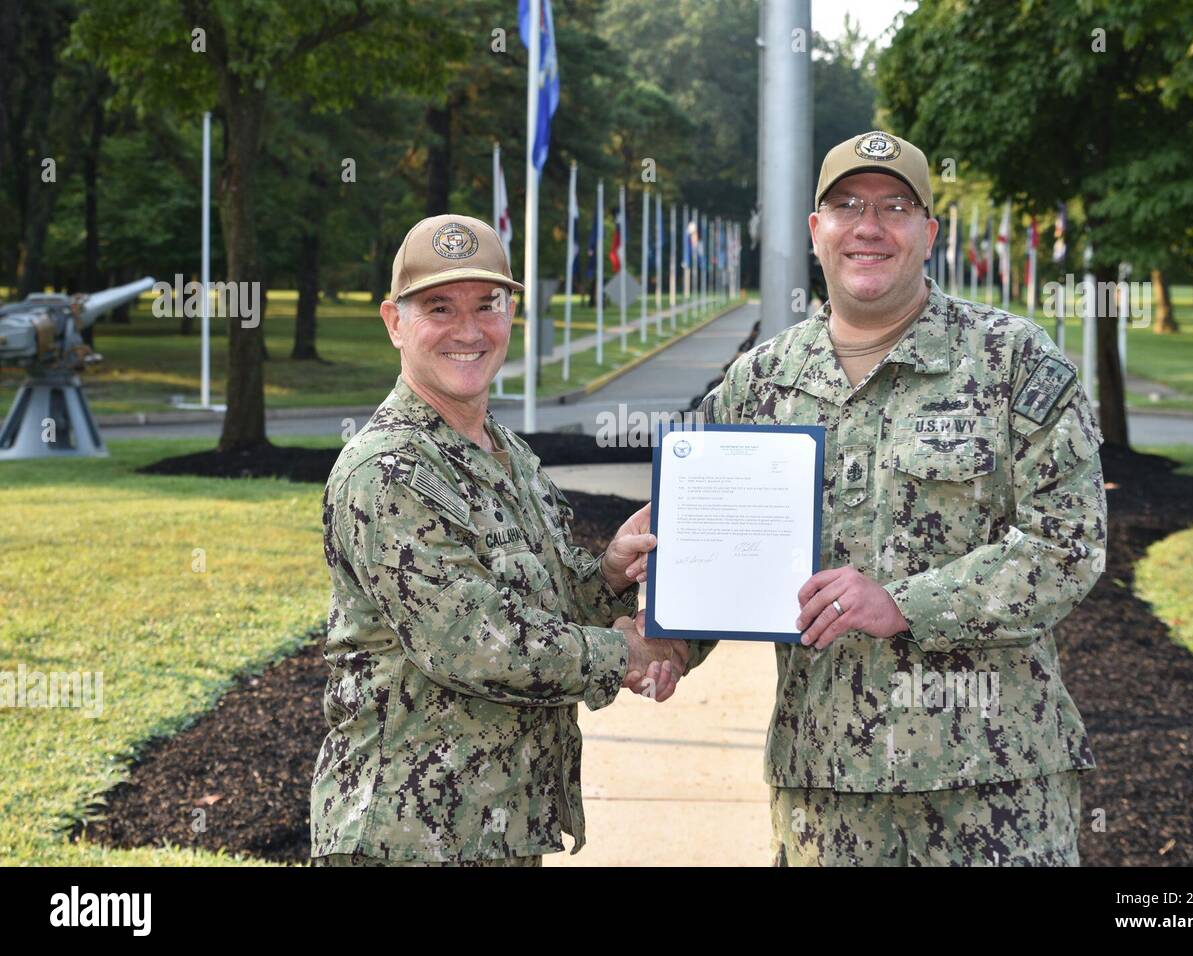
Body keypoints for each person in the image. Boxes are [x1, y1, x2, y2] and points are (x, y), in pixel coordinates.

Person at [695, 131, 1107, 865]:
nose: (869, 226)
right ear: (816, 230)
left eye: (895, 206)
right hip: (827, 794)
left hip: (993, 787)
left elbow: (1067, 545)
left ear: (928, 232)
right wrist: (659, 635)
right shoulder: (757, 385)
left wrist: (905, 605)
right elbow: (718, 558)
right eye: (847, 205)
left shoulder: (1013, 361)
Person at [310, 214, 684, 866]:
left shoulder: (504, 450)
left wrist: (609, 577)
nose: (469, 329)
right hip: (405, 835)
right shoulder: (388, 470)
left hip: (494, 825)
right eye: (439, 308)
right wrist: (619, 652)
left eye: (488, 305)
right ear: (394, 322)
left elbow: (533, 600)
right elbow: (470, 641)